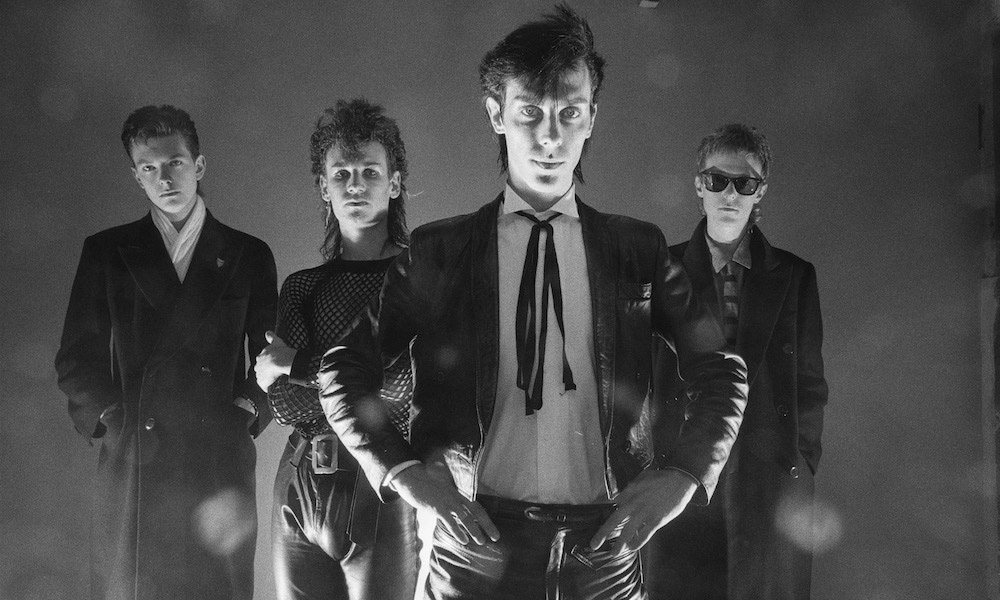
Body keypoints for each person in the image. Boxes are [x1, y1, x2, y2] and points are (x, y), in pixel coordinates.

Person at [318, 6, 749, 599]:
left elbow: (721, 371)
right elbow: (343, 369)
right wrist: (406, 474)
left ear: (591, 117)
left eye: (569, 113)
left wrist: (683, 477)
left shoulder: (637, 248)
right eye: (530, 112)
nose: (550, 137)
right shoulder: (441, 252)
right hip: (473, 554)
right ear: (496, 113)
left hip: (604, 558)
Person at [54, 104, 277, 600]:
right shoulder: (108, 252)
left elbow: (272, 357)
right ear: (136, 176)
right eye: (149, 167)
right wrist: (114, 419)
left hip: (215, 459)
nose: (164, 178)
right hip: (138, 457)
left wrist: (245, 412)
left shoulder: (248, 253)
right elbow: (75, 358)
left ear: (199, 165)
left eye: (175, 162)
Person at [644, 123, 828, 600]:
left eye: (744, 183)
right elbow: (645, 375)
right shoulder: (663, 270)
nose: (729, 193)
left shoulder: (794, 276)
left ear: (760, 191)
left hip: (768, 474)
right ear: (699, 186)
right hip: (683, 465)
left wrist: (801, 460)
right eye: (717, 180)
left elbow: (809, 383)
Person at [253, 98, 418, 600]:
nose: (355, 185)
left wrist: (297, 364)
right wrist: (345, 382)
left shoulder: (417, 278)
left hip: (382, 483)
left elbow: (400, 390)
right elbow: (286, 404)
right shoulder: (303, 287)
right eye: (341, 174)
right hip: (298, 481)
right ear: (324, 187)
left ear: (394, 183)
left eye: (370, 172)